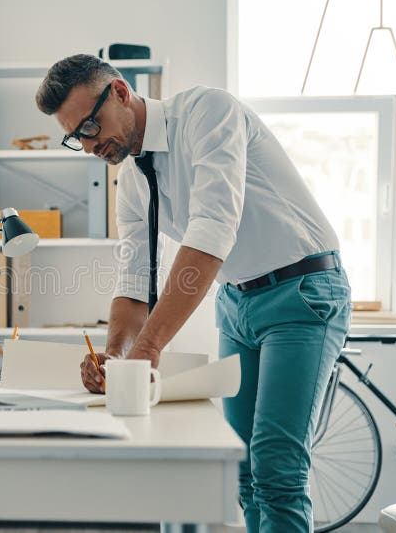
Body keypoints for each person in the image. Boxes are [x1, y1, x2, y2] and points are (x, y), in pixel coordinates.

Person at [35, 54, 351, 533]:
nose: (88, 145)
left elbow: (211, 229)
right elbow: (133, 280)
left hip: (301, 292)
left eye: (91, 126)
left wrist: (148, 348)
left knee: (278, 466)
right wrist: (115, 358)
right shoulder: (133, 180)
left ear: (120, 92)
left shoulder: (208, 113)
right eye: (75, 136)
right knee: (244, 467)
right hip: (236, 304)